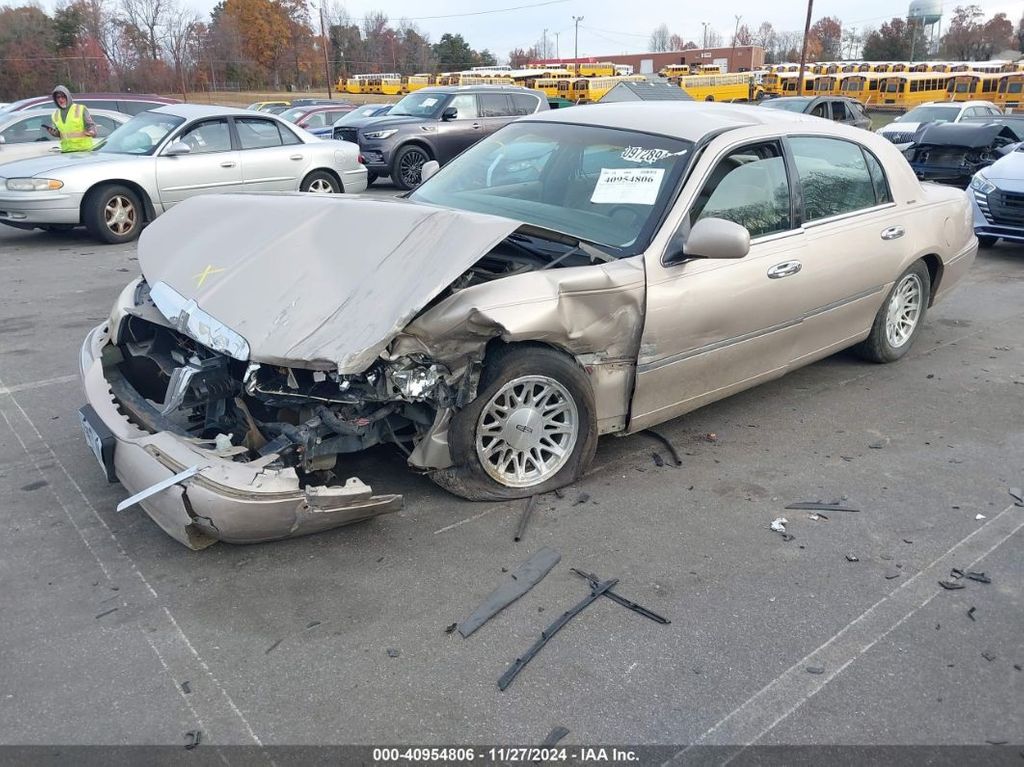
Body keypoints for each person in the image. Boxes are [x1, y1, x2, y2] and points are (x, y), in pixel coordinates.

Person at [44, 85, 97, 152]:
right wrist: (54, 133)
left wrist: (92, 132)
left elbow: (90, 125)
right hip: (66, 152)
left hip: (84, 151)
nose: (61, 99)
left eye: (63, 96)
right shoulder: (55, 114)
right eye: (58, 97)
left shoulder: (80, 109)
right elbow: (60, 133)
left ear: (68, 96)